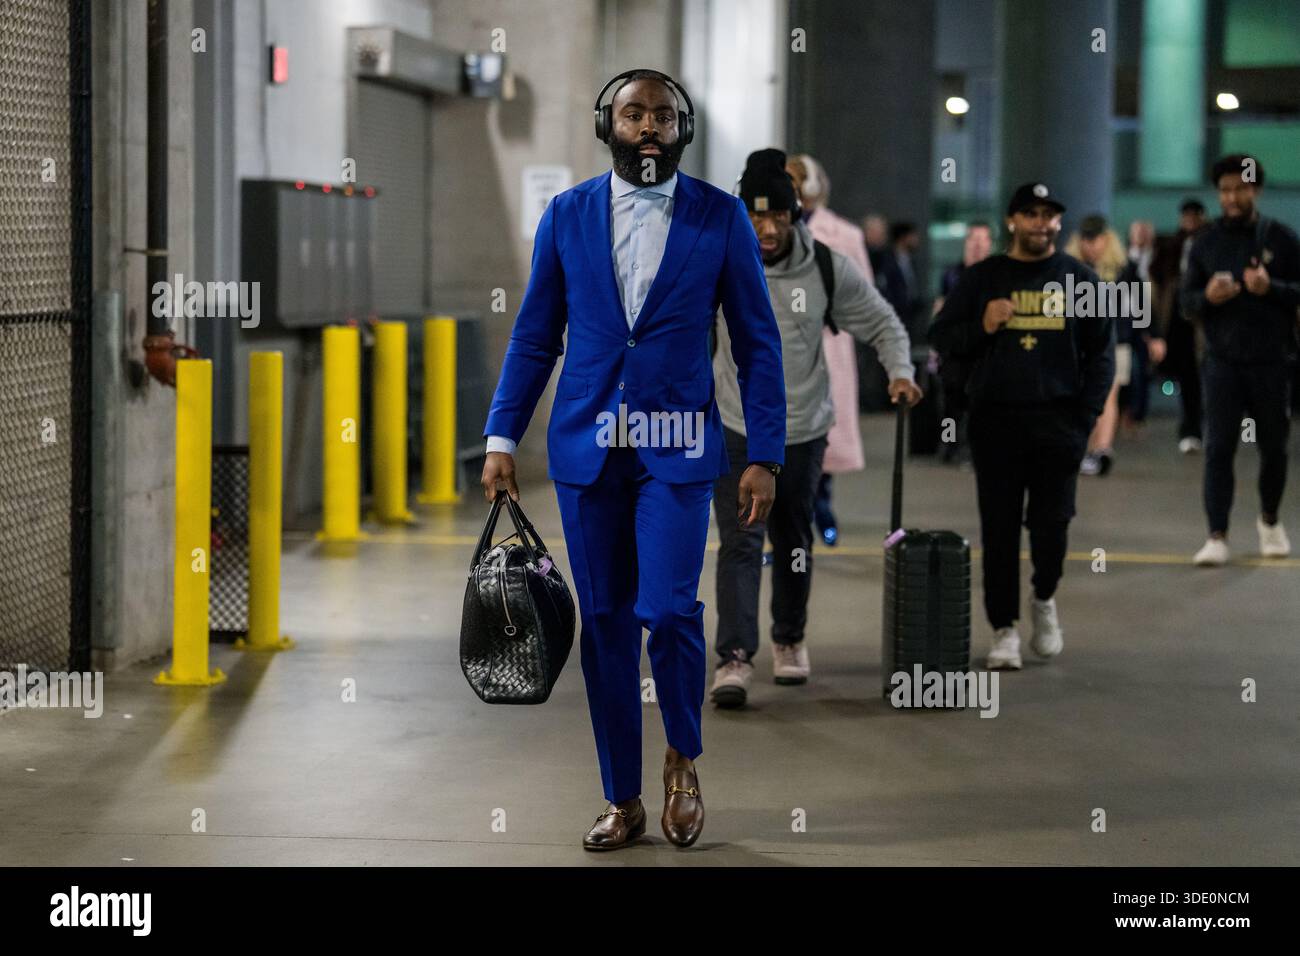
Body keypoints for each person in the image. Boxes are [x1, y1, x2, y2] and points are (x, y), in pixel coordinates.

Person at [480, 69, 786, 851]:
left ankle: (682, 759)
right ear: (605, 124)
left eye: (662, 115)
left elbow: (757, 342)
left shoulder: (720, 219)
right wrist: (502, 435)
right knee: (608, 621)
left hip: (678, 448)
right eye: (632, 113)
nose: (647, 125)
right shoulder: (568, 215)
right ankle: (622, 797)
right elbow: (535, 334)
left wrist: (767, 453)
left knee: (670, 612)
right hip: (589, 448)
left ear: (683, 130)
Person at [709, 149, 920, 707]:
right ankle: (733, 656)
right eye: (756, 216)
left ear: (796, 213)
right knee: (739, 540)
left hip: (802, 428)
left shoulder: (826, 267)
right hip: (736, 423)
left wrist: (899, 370)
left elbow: (882, 321)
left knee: (793, 536)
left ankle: (789, 639)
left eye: (779, 216)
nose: (768, 228)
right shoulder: (718, 264)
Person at [929, 182, 1115, 670]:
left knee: (1052, 528)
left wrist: (1085, 420)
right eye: (1030, 214)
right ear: (1012, 221)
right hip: (996, 423)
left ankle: (1045, 597)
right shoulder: (983, 278)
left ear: (1058, 223)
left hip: (1059, 425)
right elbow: (942, 337)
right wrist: (983, 326)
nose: (1041, 223)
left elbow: (1102, 356)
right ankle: (1004, 628)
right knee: (1000, 530)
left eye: (1049, 215)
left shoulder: (1079, 280)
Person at [1182, 154, 1300, 566]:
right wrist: (1206, 298)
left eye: (1241, 188)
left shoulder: (1281, 238)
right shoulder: (1205, 242)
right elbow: (1185, 303)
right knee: (1218, 449)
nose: (1232, 196)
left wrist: (1273, 288)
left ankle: (1269, 521)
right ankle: (1217, 534)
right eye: (1226, 189)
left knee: (1274, 448)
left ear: (1256, 190)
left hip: (1271, 362)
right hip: (1221, 364)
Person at [786, 153, 874, 546]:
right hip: (784, 345)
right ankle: (789, 529)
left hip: (827, 346)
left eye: (798, 180)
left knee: (825, 435)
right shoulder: (767, 228)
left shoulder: (845, 235)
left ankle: (822, 505)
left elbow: (864, 294)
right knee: (783, 439)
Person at [1066, 215, 1128, 476]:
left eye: (1096, 239)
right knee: (1084, 395)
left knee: (1108, 394)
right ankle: (1089, 448)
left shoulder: (1123, 269)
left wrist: (1150, 336)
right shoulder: (1070, 269)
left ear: (1107, 239)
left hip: (1116, 341)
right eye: (1086, 239)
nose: (1091, 245)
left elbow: (1138, 307)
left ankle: (1102, 449)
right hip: (1080, 344)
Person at [934, 221, 994, 463]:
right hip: (955, 350)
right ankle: (949, 444)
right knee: (951, 403)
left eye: (983, 240)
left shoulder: (996, 275)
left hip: (984, 350)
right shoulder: (951, 275)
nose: (978, 245)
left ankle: (973, 446)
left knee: (978, 404)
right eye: (973, 240)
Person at [1152, 198, 1209, 452]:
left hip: (1206, 316)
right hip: (1178, 318)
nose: (1189, 220)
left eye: (1194, 216)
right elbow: (1156, 274)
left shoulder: (1212, 242)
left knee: (1205, 376)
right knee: (1188, 376)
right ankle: (1191, 429)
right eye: (1186, 215)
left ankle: (1204, 426)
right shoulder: (1173, 245)